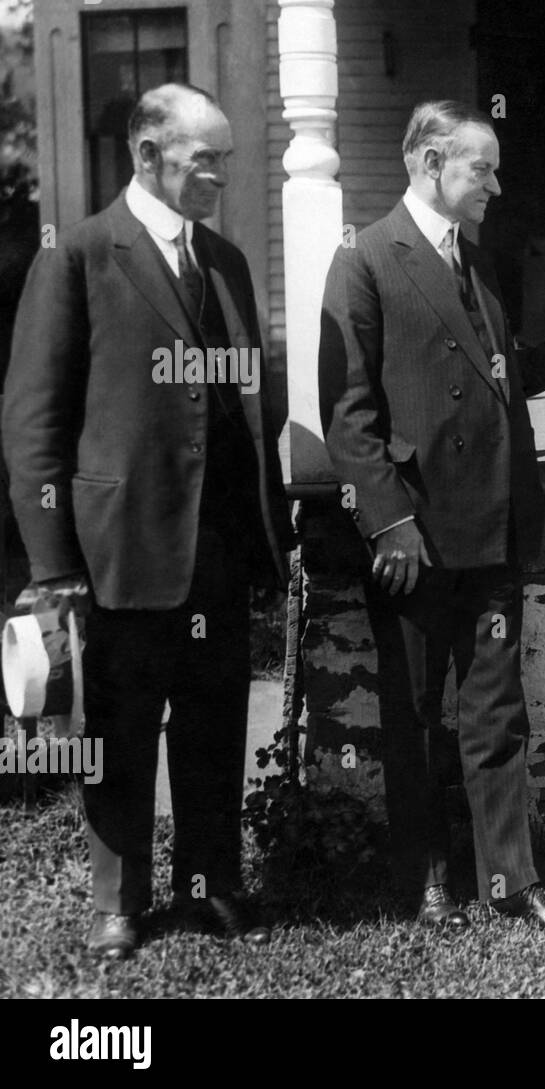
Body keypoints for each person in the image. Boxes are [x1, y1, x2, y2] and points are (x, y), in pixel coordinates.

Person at [319, 99, 545, 933]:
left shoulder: (477, 259)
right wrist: (389, 525)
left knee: (497, 711)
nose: (497, 186)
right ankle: (427, 881)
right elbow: (347, 410)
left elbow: (501, 369)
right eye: (483, 169)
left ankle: (511, 878)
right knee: (418, 715)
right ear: (430, 163)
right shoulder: (364, 257)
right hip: (417, 538)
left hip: (494, 528)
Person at [3, 83, 291, 959]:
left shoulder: (228, 263)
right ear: (146, 156)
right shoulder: (81, 256)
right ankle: (117, 903)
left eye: (225, 159)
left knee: (211, 725)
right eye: (205, 159)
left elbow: (249, 397)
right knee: (118, 734)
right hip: (118, 549)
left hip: (215, 546)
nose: (220, 175)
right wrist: (54, 565)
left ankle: (207, 887)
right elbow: (32, 420)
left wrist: (264, 517)